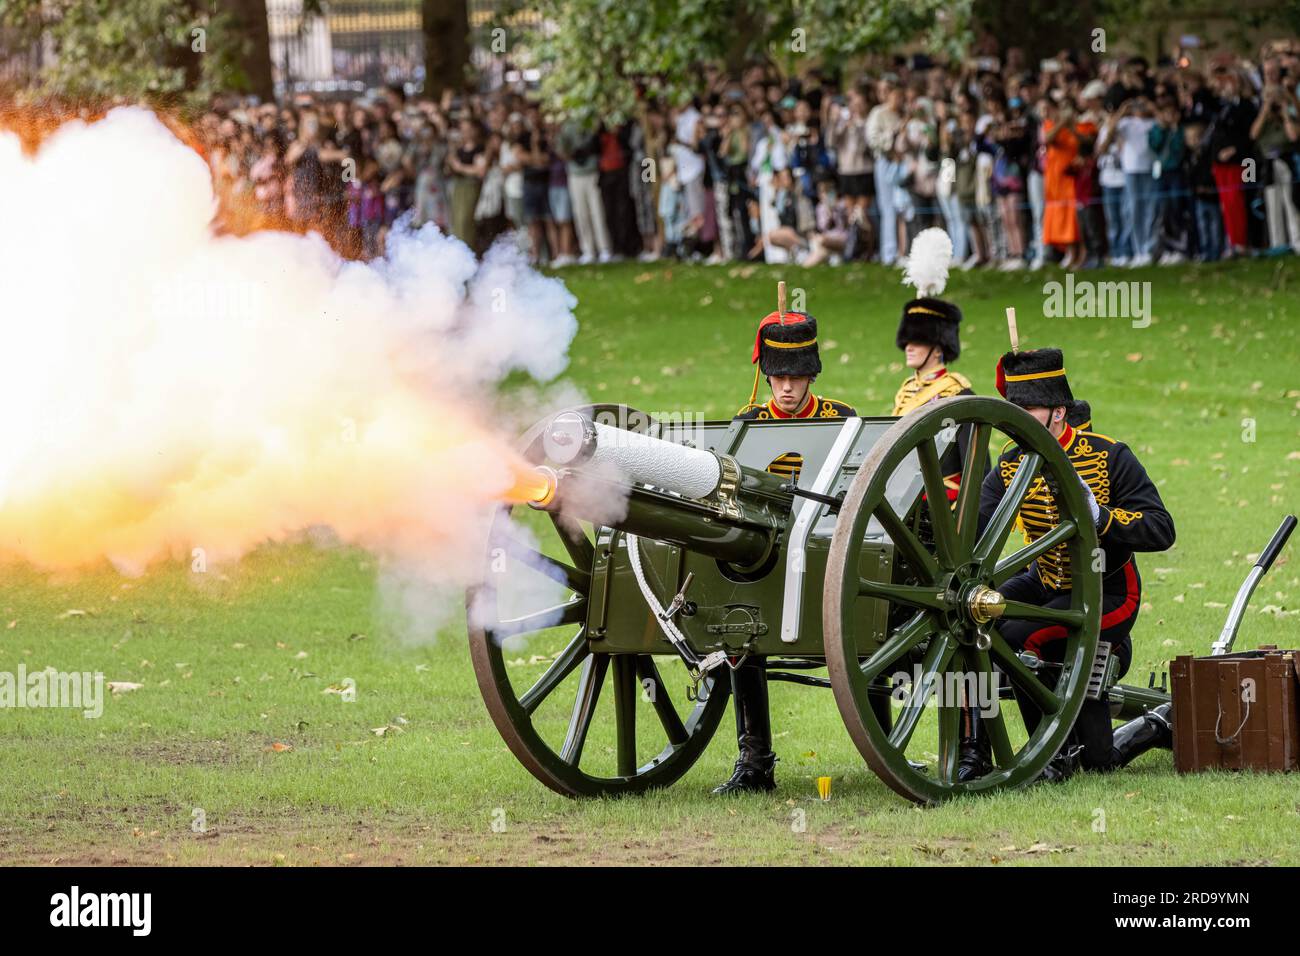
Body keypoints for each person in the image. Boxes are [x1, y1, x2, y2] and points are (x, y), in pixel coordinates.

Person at [963, 348, 1176, 782]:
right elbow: (972, 525)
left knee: (1022, 639)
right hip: (1042, 582)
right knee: (974, 624)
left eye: (1027, 409)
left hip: (1108, 592)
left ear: (1058, 412)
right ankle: (981, 752)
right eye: (1012, 409)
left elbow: (1161, 528)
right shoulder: (1009, 464)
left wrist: (1102, 517)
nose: (1016, 418)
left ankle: (1128, 731)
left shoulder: (1110, 455)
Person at [716, 307, 856, 795]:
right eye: (778, 377)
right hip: (764, 554)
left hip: (824, 551)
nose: (788, 388)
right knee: (739, 635)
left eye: (797, 376)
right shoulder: (748, 422)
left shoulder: (842, 419)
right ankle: (755, 762)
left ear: (811, 375)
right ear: (768, 377)